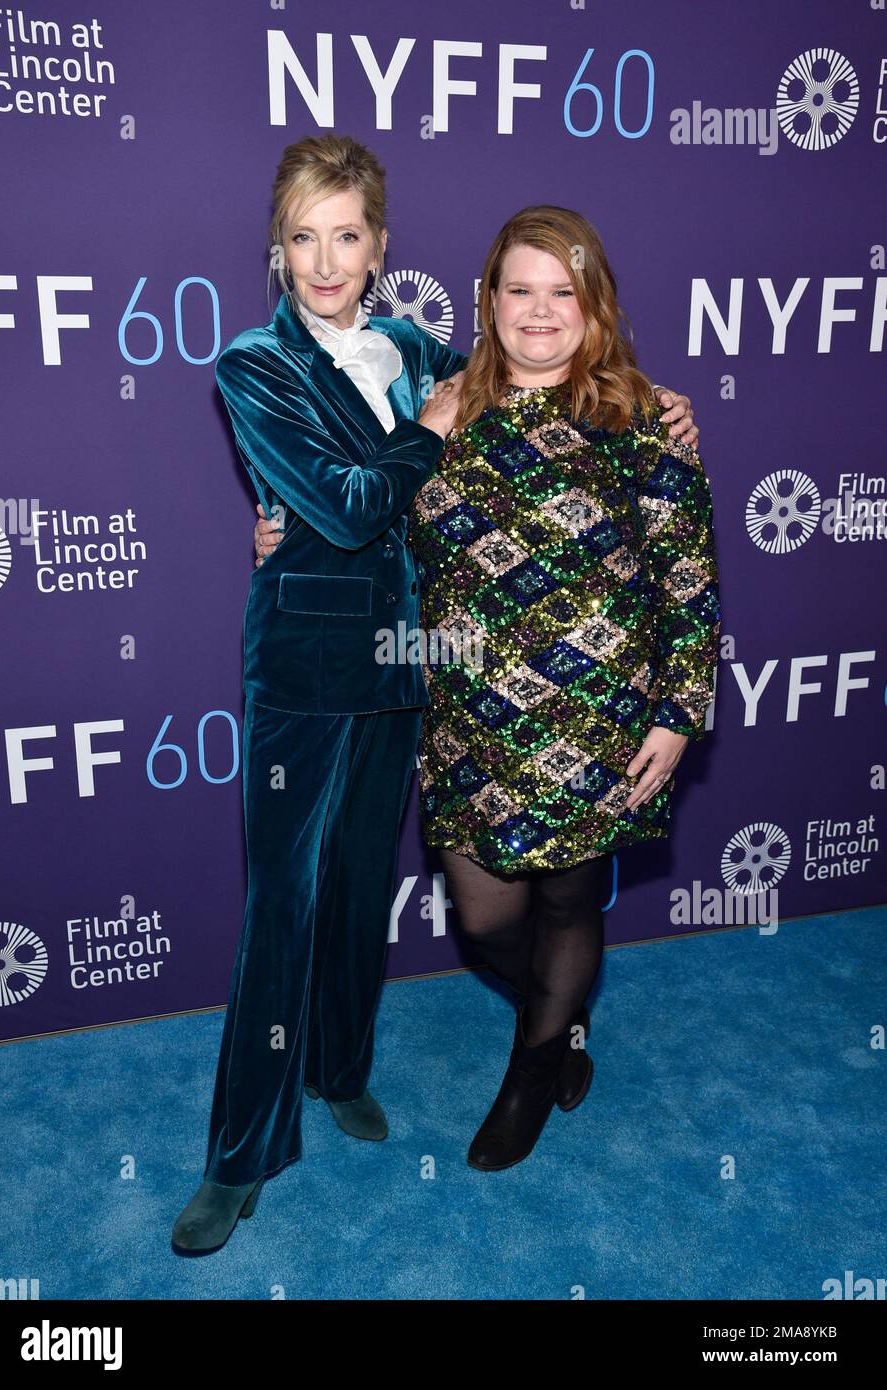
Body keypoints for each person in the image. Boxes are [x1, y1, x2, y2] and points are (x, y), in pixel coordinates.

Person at [255, 203, 719, 1175]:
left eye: (562, 293)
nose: (539, 313)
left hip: (601, 721)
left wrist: (679, 715)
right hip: (470, 723)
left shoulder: (643, 419)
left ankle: (533, 1065)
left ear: (592, 306)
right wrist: (287, 539)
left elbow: (687, 579)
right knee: (485, 917)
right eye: (519, 290)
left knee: (569, 904)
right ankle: (563, 1016)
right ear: (487, 300)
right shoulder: (440, 409)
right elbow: (366, 528)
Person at [171, 134, 465, 1254]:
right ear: (278, 250)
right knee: (279, 909)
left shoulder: (410, 343)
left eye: (347, 234)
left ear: (380, 246)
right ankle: (239, 1155)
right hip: (302, 664)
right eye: (305, 236)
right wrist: (428, 433)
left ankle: (340, 1067)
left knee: (356, 885)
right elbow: (343, 508)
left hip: (402, 656)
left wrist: (655, 404)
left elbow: (526, 385)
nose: (326, 260)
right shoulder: (253, 363)